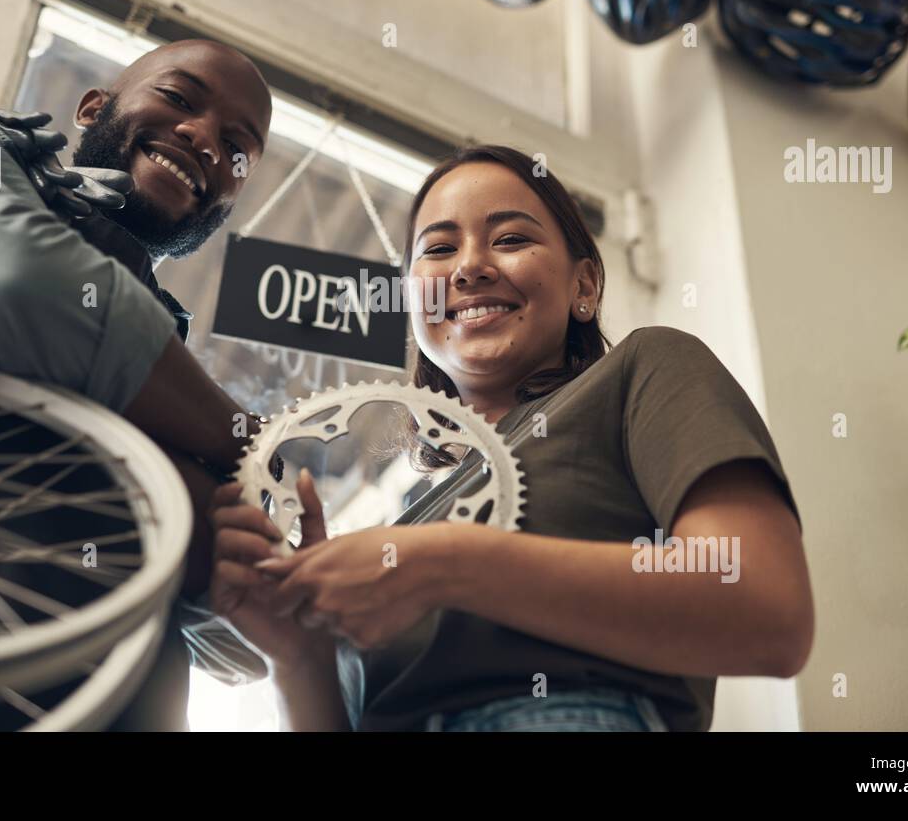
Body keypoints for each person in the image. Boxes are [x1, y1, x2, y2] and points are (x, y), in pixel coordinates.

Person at [206, 144, 814, 732]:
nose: (470, 267)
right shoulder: (409, 529)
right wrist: (299, 656)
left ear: (585, 287)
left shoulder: (645, 367)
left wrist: (444, 565)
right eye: (439, 248)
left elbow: (765, 607)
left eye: (512, 239)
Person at [0, 38, 278, 728]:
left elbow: (245, 642)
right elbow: (14, 275)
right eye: (180, 99)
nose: (205, 139)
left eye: (237, 146)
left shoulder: (170, 351)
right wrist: (242, 445)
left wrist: (27, 356)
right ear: (95, 107)